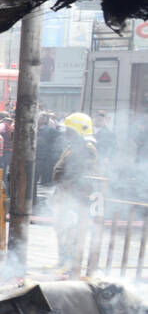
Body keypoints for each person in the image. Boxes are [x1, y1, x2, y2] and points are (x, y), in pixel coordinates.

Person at [51, 112, 100, 276]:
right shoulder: (72, 146)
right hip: (64, 193)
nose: (66, 133)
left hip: (75, 196)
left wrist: (71, 192)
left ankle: (71, 263)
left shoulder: (87, 149)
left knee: (72, 230)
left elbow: (83, 174)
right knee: (61, 228)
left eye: (70, 130)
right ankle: (62, 260)